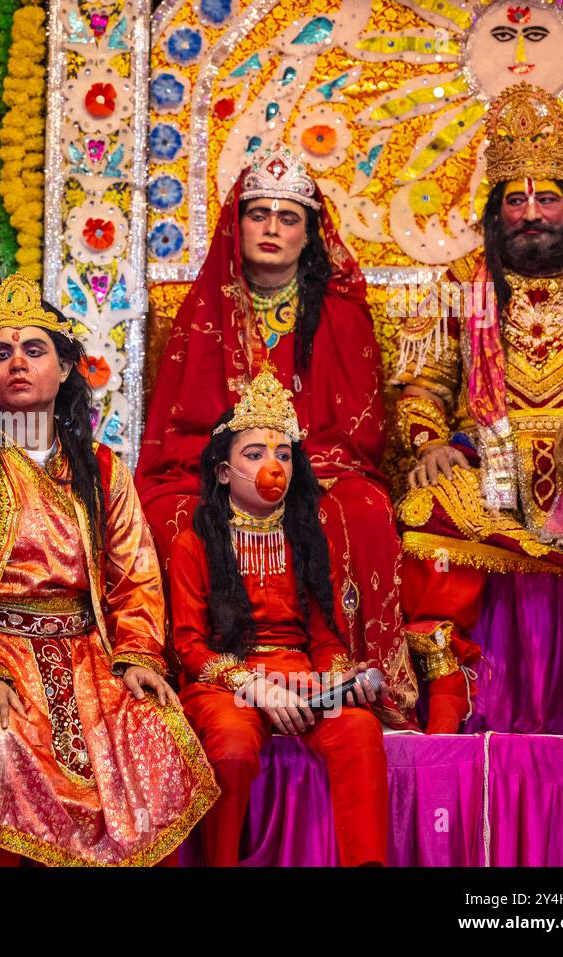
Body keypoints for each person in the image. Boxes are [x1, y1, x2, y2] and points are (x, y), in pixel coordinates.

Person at [0, 272, 218, 866]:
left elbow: (137, 577)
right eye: (1, 354)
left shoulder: (102, 469)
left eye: (34, 350)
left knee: (154, 737)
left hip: (89, 657)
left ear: (66, 367)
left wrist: (138, 655)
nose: (17, 364)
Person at [393, 83, 563, 733]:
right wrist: (430, 442)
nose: (531, 211)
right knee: (427, 503)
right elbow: (422, 384)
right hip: (494, 462)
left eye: (548, 198)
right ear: (496, 212)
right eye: (516, 199)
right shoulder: (461, 286)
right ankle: (452, 714)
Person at [137, 145, 413, 725]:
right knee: (167, 511)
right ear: (236, 225)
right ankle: (191, 678)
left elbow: (357, 431)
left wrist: (287, 469)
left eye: (288, 217)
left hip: (316, 468)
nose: (271, 228)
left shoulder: (342, 315)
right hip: (213, 470)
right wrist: (236, 467)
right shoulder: (202, 310)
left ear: (309, 235)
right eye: (258, 213)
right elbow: (177, 426)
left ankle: (351, 677)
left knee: (361, 509)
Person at [169, 363, 388, 866]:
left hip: (301, 679)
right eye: (255, 454)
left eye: (284, 455)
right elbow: (188, 645)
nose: (274, 466)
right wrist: (254, 687)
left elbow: (325, 637)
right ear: (224, 472)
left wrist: (341, 678)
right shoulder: (193, 544)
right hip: (227, 685)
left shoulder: (310, 539)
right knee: (230, 749)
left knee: (358, 728)